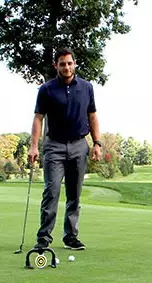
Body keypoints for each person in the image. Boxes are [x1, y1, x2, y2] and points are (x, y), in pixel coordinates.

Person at [28, 47, 102, 251]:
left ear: (74, 64)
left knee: (74, 194)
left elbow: (92, 115)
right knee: (51, 191)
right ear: (56, 66)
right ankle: (43, 238)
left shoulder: (87, 87)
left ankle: (71, 236)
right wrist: (34, 146)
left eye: (70, 63)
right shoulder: (47, 89)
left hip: (79, 145)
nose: (66, 67)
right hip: (54, 146)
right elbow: (38, 118)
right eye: (62, 64)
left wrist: (97, 143)